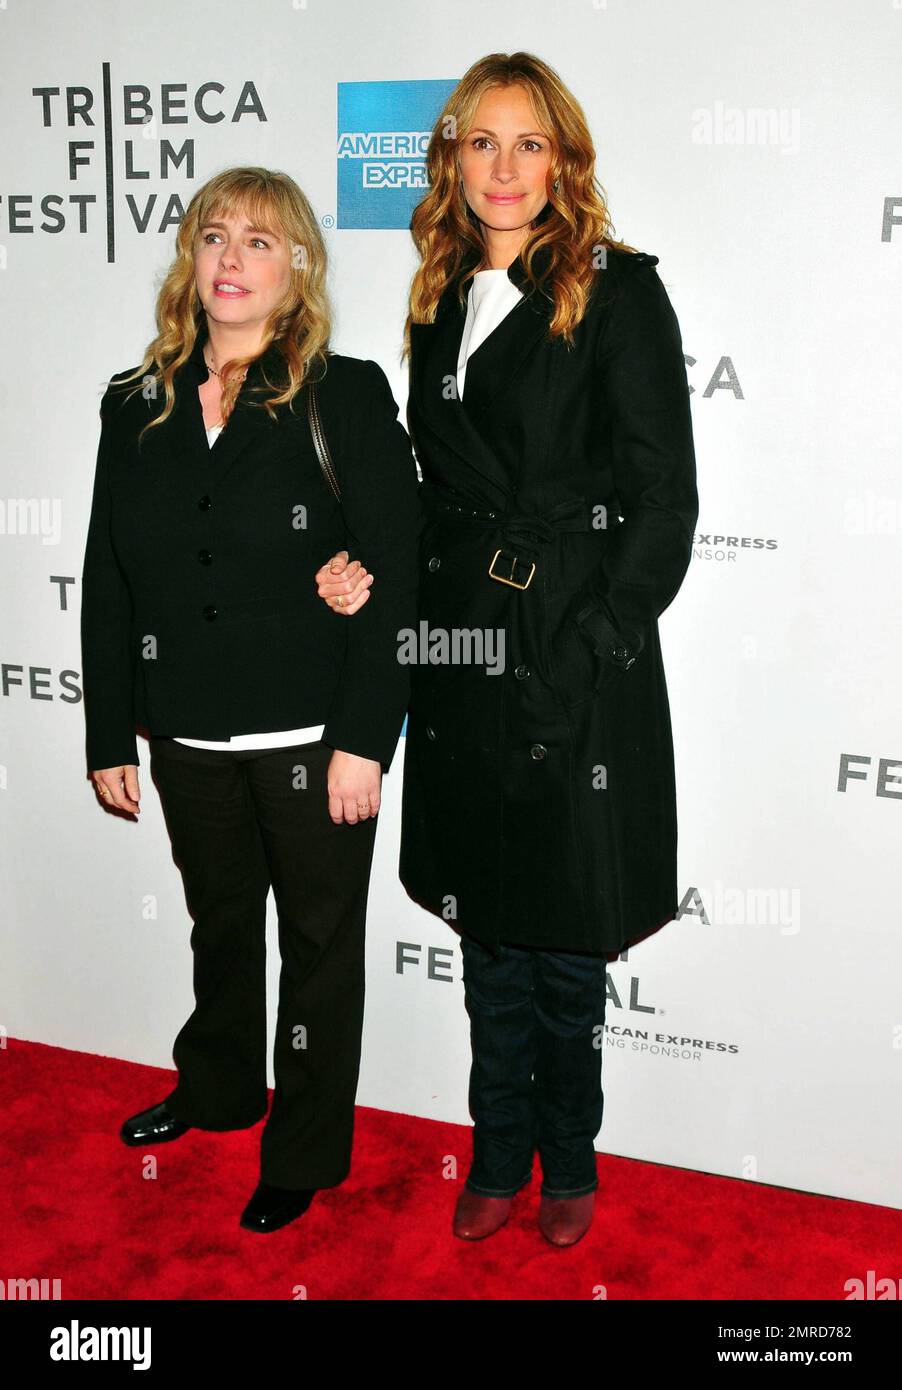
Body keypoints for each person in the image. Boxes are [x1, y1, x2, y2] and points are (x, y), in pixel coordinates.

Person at [316, 53, 698, 1247]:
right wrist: (362, 567)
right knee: (490, 915)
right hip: (461, 643)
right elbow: (431, 490)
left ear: (562, 158)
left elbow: (663, 501)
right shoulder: (434, 297)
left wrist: (589, 648)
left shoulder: (613, 289)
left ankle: (569, 1159)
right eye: (480, 142)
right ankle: (495, 1147)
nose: (503, 167)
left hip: (573, 638)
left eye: (527, 142)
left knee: (565, 922)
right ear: (449, 161)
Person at [80, 166, 422, 1233]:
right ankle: (219, 1086)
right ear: (190, 258)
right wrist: (109, 727)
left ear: (299, 270)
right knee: (217, 926)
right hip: (184, 728)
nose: (231, 259)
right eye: (214, 237)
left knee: (318, 953)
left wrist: (365, 737)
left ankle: (305, 1149)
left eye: (260, 242)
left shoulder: (344, 393)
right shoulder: (134, 402)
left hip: (312, 736)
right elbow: (109, 576)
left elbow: (399, 573)